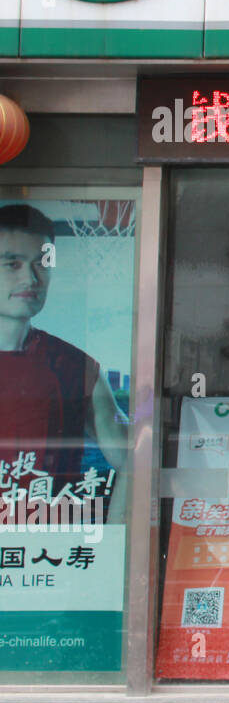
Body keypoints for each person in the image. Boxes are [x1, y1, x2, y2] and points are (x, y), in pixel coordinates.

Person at [0, 204, 129, 521]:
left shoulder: (74, 366)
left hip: (44, 558)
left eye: (42, 263)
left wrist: (114, 545)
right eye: (12, 264)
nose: (30, 278)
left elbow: (135, 458)